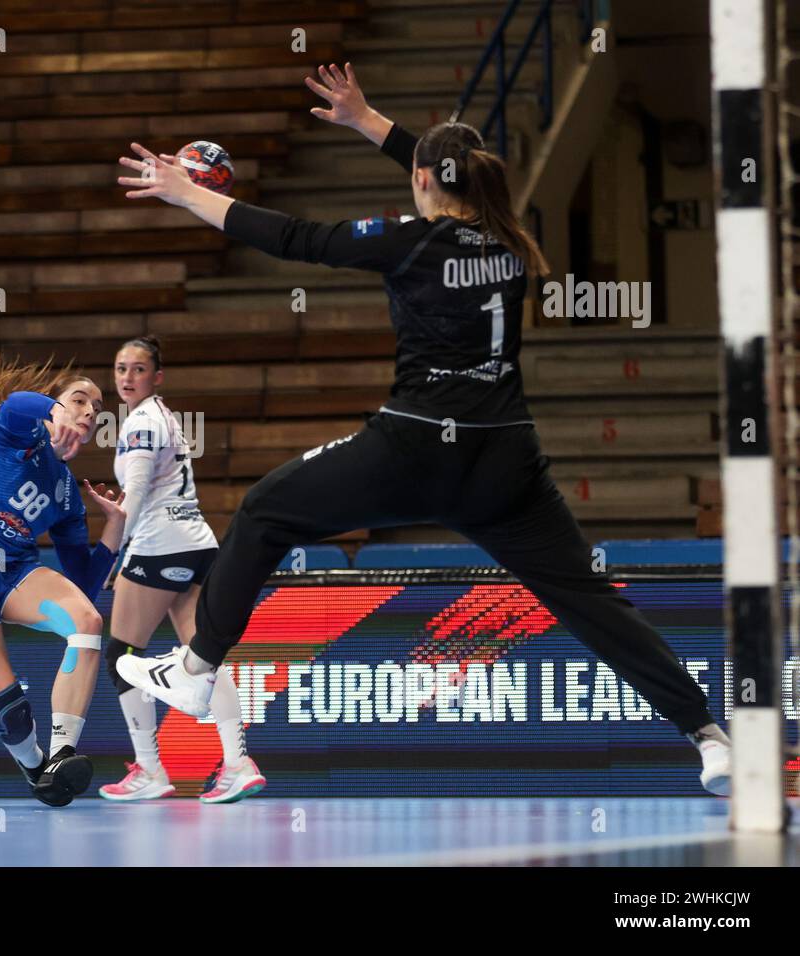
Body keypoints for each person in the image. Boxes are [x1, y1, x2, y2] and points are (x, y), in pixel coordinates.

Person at [113, 62, 733, 796]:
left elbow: (296, 237)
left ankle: (194, 666)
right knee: (594, 605)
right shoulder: (511, 241)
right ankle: (710, 736)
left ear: (423, 182)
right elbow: (445, 172)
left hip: (411, 451)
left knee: (264, 510)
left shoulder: (409, 241)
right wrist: (368, 120)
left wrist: (186, 193)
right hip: (507, 464)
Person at [0, 353, 126, 807]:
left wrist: (115, 527)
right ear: (54, 405)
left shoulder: (65, 493)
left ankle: (61, 754)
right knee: (11, 712)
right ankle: (35, 764)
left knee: (86, 621)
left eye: (96, 411)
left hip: (15, 572)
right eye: (79, 400)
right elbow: (16, 404)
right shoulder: (14, 432)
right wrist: (49, 410)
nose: (88, 413)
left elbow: (85, 583)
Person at [97, 335, 265, 803]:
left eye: (138, 369)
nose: (127, 377)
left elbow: (136, 489)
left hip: (160, 547)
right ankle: (238, 763)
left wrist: (118, 553)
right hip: (198, 544)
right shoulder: (165, 417)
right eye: (120, 368)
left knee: (121, 655)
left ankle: (150, 770)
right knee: (203, 654)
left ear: (157, 376)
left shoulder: (141, 424)